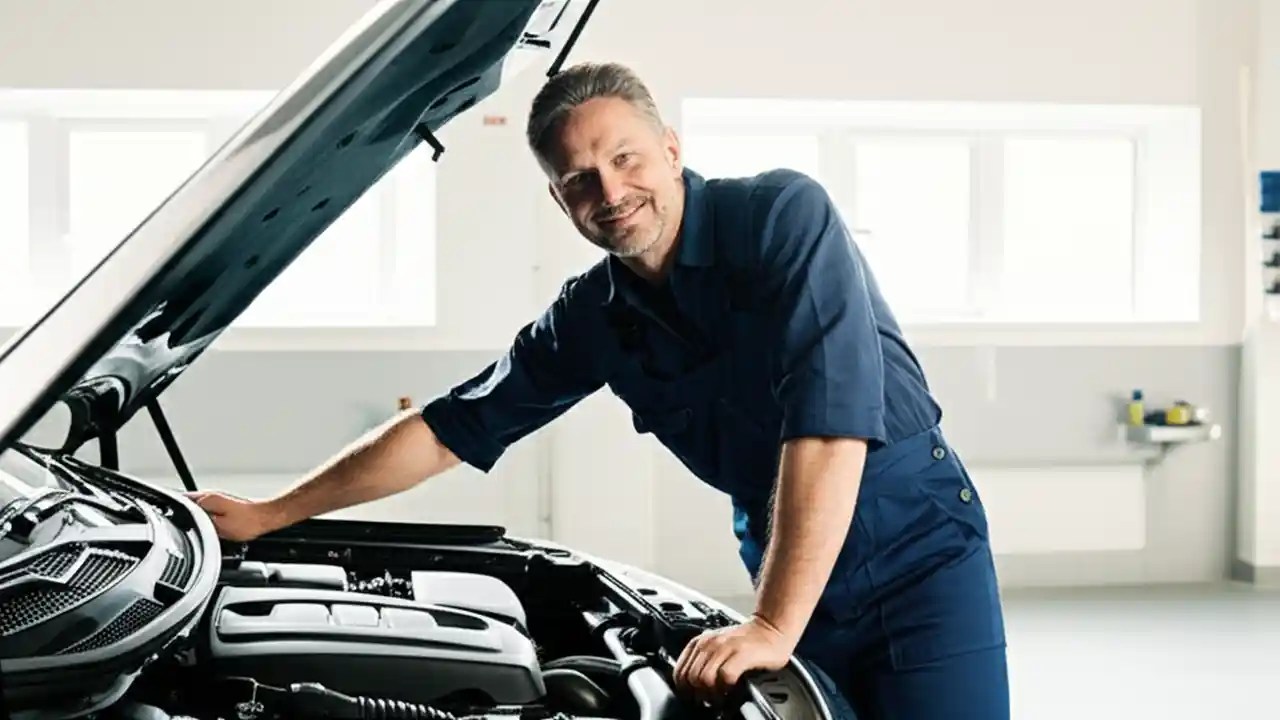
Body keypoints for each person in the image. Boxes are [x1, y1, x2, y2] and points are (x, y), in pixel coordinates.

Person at [188, 62, 1009, 720]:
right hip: (785, 558)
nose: (610, 193)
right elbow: (448, 429)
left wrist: (768, 627)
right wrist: (271, 514)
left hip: (917, 557)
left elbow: (831, 430)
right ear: (559, 198)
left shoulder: (782, 219)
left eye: (626, 159)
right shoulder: (593, 316)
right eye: (579, 179)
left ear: (671, 149)